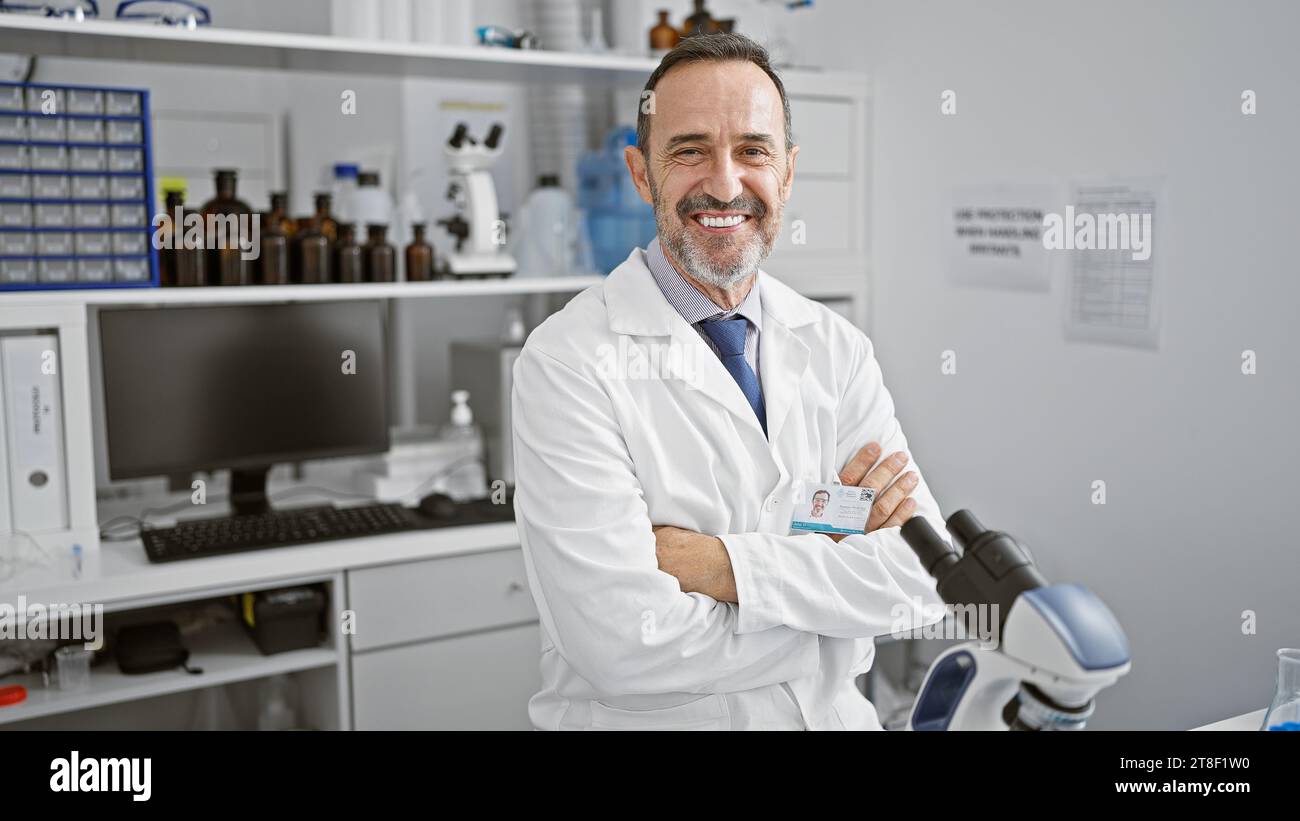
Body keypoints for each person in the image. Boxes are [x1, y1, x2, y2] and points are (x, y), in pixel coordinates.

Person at [511, 32, 949, 730]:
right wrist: (836, 618)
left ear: (788, 170)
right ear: (641, 172)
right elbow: (625, 645)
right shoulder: (567, 362)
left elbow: (925, 578)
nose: (723, 183)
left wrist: (719, 566)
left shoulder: (838, 349)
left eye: (753, 149)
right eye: (688, 150)